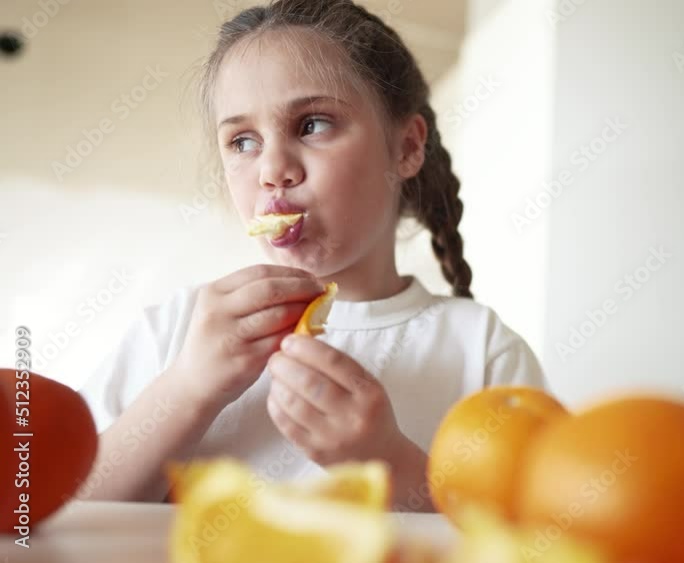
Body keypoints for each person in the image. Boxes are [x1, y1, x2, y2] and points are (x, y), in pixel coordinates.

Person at [78, 0, 545, 512]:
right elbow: (52, 517)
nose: (272, 169)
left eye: (313, 124)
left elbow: (531, 536)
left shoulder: (481, 350)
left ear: (407, 148)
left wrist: (392, 465)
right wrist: (188, 390)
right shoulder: (174, 334)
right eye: (243, 141)